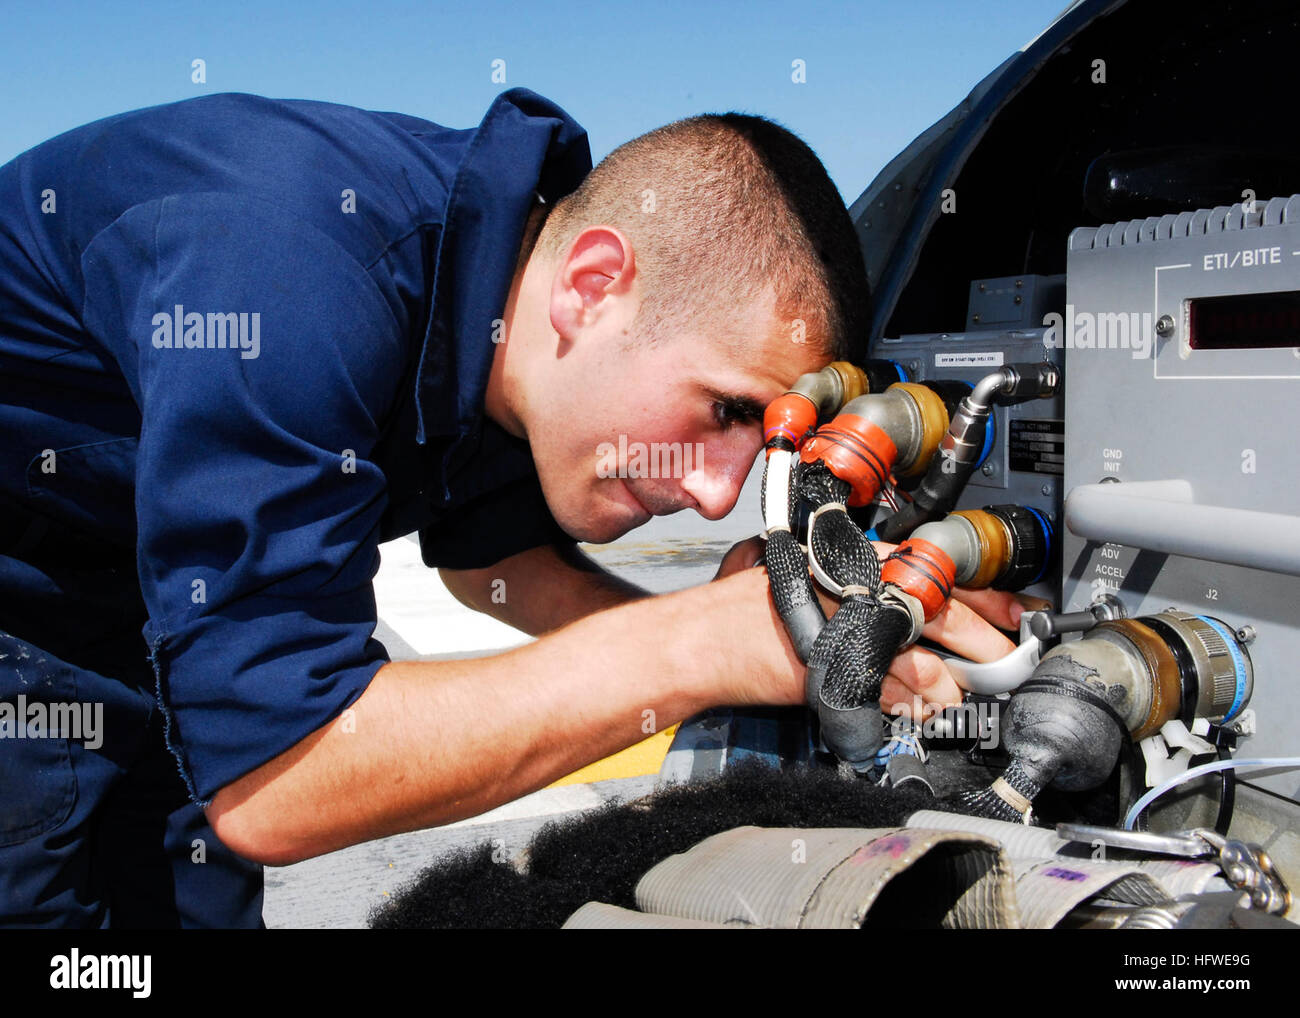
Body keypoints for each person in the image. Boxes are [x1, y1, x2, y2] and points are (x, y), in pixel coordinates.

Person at [0, 87, 1022, 928]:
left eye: (755, 440)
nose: (716, 490)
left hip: (132, 599)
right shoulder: (290, 276)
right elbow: (277, 780)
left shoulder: (507, 317)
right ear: (593, 284)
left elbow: (497, 568)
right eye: (723, 407)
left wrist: (773, 644)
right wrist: (693, 647)